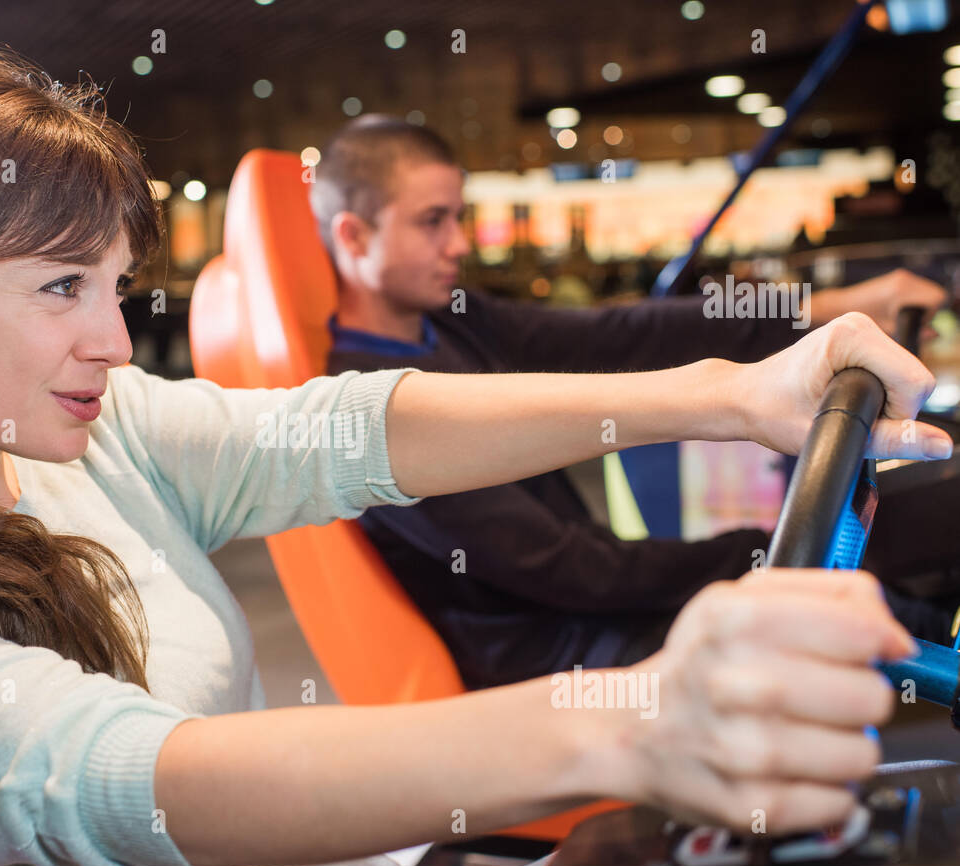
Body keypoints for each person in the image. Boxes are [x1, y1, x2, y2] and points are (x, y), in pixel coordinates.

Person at [0, 42, 951, 866]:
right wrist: (634, 719)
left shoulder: (75, 437)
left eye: (113, 288)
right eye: (59, 289)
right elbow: (119, 781)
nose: (110, 339)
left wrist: (734, 392)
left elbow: (339, 427)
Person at [314, 114, 959, 690]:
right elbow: (568, 570)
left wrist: (819, 312)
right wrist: (745, 557)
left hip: (592, 604)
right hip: (549, 652)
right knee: (819, 590)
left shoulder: (450, 321)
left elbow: (630, 334)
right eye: (432, 222)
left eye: (457, 216)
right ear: (354, 236)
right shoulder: (372, 408)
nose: (458, 243)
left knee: (900, 540)